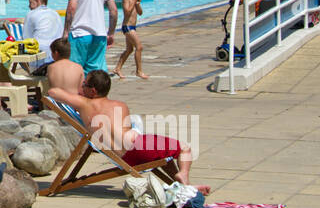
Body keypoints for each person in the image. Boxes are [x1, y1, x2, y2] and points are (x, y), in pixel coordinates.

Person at [57, 70, 208, 191]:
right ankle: (184, 177)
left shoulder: (84, 105)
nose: (82, 87)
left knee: (165, 156)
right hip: (137, 147)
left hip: (126, 157)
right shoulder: (119, 105)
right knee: (184, 148)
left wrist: (77, 94)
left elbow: (54, 92)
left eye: (84, 84)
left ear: (93, 90)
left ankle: (183, 186)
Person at [63, 0, 118, 75]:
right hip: (99, 35)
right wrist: (111, 33)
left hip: (79, 34)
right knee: (96, 78)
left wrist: (66, 32)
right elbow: (113, 10)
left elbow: (72, 7)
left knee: (74, 75)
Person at [0, 0, 63, 73]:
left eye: (30, 3)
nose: (29, 6)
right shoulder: (55, 14)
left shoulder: (31, 14)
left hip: (39, 59)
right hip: (56, 56)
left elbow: (27, 39)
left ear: (37, 1)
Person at [114, 0, 149, 79]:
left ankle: (117, 68)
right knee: (139, 47)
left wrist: (137, 4)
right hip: (127, 27)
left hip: (133, 27)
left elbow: (140, 13)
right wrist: (134, 1)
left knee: (129, 49)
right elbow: (127, 12)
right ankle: (139, 71)